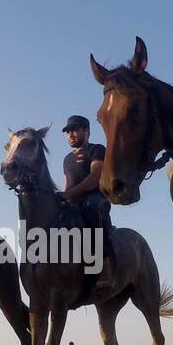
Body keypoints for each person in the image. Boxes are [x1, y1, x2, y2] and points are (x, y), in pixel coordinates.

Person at [60, 116, 114, 290]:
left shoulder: (97, 150)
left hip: (94, 198)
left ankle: (105, 267)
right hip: (74, 202)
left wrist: (68, 194)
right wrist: (62, 200)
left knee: (93, 209)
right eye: (68, 131)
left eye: (74, 130)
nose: (70, 134)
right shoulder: (67, 159)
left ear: (87, 131)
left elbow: (95, 177)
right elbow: (67, 185)